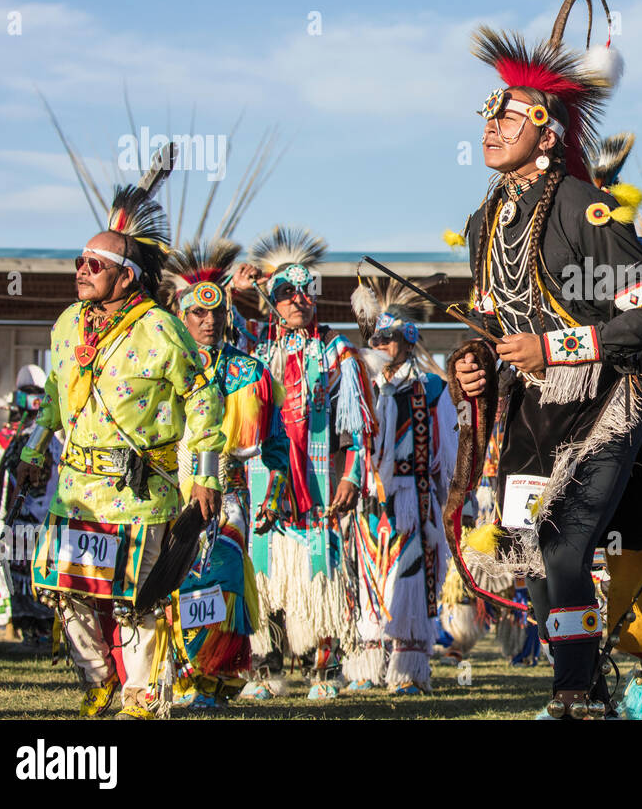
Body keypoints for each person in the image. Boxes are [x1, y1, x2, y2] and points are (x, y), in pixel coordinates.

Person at [447, 0, 642, 718]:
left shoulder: (588, 209)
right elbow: (493, 321)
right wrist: (472, 362)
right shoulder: (485, 220)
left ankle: (574, 696)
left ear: (548, 132)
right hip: (531, 415)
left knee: (563, 548)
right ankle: (590, 689)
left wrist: (556, 348)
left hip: (605, 407)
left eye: (508, 116)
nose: (491, 128)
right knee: (545, 571)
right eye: (487, 115)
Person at [15, 177, 226, 719]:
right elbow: (55, 401)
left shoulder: (159, 329)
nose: (81, 271)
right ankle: (101, 680)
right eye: (80, 262)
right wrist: (36, 453)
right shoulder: (67, 326)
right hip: (77, 487)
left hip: (139, 487)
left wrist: (204, 474)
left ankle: (141, 695)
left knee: (137, 600)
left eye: (95, 264)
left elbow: (203, 395)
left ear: (126, 276)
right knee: (67, 591)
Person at [230, 228, 377, 700]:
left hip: (317, 483)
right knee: (266, 576)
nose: (297, 301)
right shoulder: (254, 345)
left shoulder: (336, 351)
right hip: (264, 481)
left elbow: (356, 425)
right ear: (271, 300)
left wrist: (353, 474)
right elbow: (207, 325)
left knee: (321, 573)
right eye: (285, 294)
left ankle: (325, 673)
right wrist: (232, 290)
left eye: (304, 293)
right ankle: (264, 672)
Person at [160, 239, 290, 709]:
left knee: (221, 577)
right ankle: (176, 675)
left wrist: (277, 488)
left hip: (230, 494)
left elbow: (276, 443)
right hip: (172, 490)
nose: (209, 322)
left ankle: (214, 677)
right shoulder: (167, 367)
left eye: (215, 314)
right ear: (182, 314)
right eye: (198, 314)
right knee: (174, 580)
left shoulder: (249, 371)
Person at [345, 279, 457, 693]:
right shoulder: (363, 385)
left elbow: (448, 455)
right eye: (376, 337)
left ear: (408, 340)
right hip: (371, 499)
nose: (380, 344)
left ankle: (409, 670)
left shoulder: (432, 388)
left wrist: (448, 505)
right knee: (372, 576)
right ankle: (367, 666)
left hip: (414, 497)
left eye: (388, 338)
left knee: (409, 578)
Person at [0, 368, 60, 643]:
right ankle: (19, 627)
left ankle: (39, 630)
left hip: (40, 519)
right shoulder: (3, 442)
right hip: (12, 518)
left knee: (36, 573)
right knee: (12, 574)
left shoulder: (52, 441)